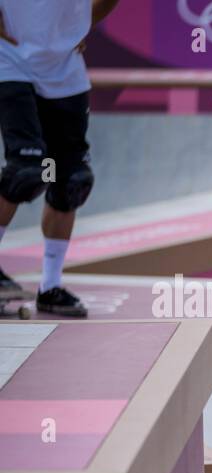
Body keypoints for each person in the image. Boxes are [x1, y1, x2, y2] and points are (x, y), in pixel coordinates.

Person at [0, 0, 119, 317]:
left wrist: (79, 26)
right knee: (27, 170)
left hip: (64, 67)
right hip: (9, 60)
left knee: (69, 180)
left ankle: (49, 287)